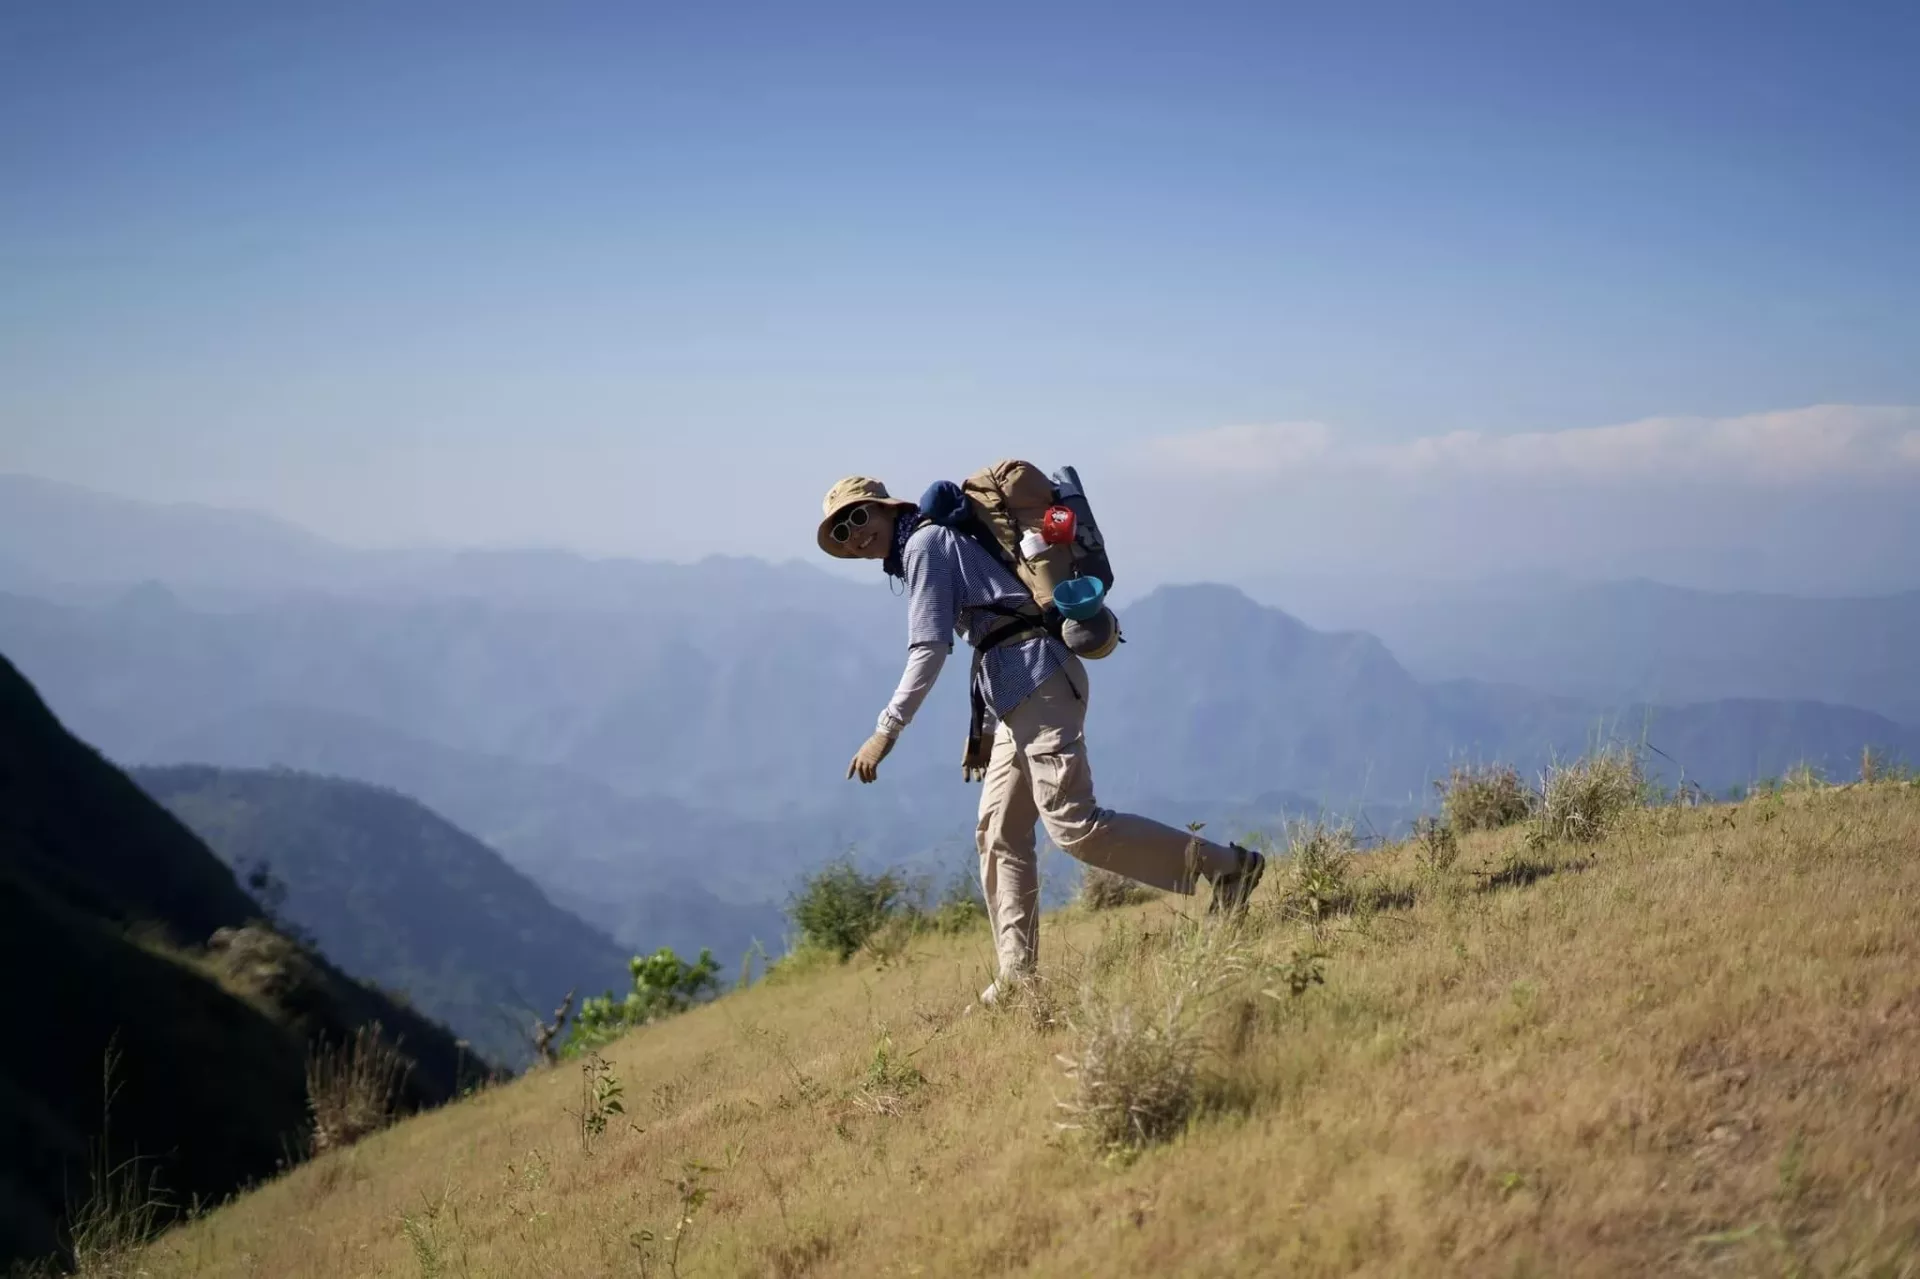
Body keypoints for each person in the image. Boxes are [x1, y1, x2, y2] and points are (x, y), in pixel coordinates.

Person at [815, 475, 1266, 1006]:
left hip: (1039, 685)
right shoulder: (932, 541)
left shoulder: (922, 544)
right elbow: (992, 632)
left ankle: (1231, 868)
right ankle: (1018, 976)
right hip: (1022, 696)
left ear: (887, 508)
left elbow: (930, 648)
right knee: (999, 832)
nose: (854, 534)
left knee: (1076, 827)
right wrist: (984, 732)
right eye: (841, 532)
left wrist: (884, 731)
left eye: (859, 517)